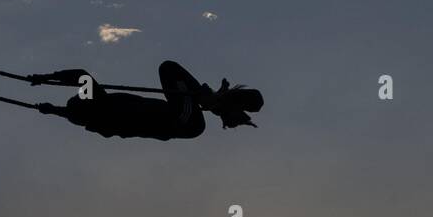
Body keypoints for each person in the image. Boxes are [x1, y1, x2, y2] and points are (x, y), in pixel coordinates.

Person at [30, 61, 262, 141]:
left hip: (179, 121)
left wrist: (50, 105)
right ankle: (217, 102)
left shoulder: (95, 121)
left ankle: (217, 102)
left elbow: (72, 112)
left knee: (170, 69)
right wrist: (46, 80)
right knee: (168, 67)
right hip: (177, 121)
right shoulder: (97, 110)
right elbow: (80, 76)